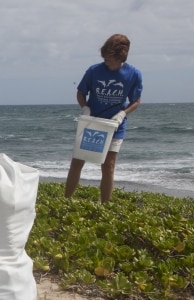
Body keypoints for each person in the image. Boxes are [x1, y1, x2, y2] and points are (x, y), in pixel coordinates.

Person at [65, 34, 143, 203]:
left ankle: (105, 206)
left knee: (108, 166)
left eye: (110, 56)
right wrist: (85, 108)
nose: (106, 60)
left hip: (114, 125)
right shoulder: (94, 71)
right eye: (104, 55)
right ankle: (66, 200)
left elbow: (136, 101)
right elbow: (81, 92)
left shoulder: (133, 74)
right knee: (78, 161)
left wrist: (123, 114)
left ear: (121, 56)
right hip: (92, 122)